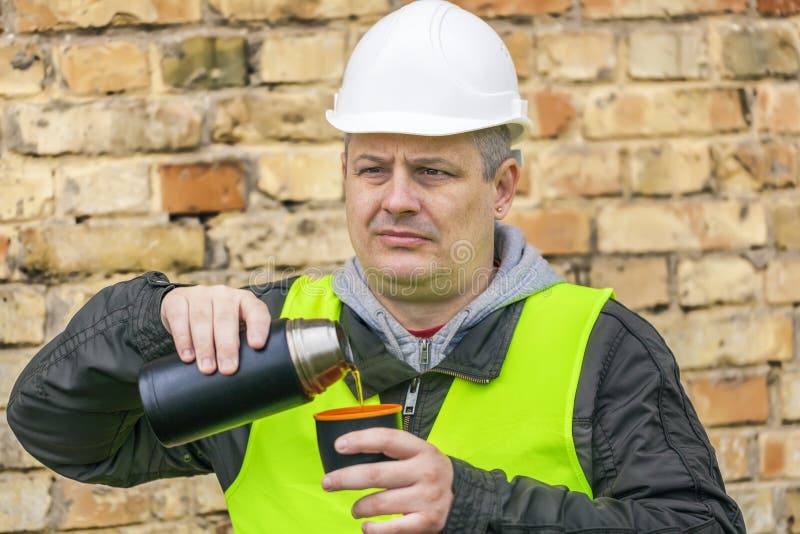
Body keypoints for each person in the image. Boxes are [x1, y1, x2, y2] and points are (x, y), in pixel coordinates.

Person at [8, 1, 744, 533]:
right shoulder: (264, 334)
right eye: (371, 170)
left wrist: (478, 508)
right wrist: (149, 319)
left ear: (504, 188)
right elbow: (61, 431)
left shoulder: (600, 350)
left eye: (431, 172)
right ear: (344, 174)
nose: (395, 201)